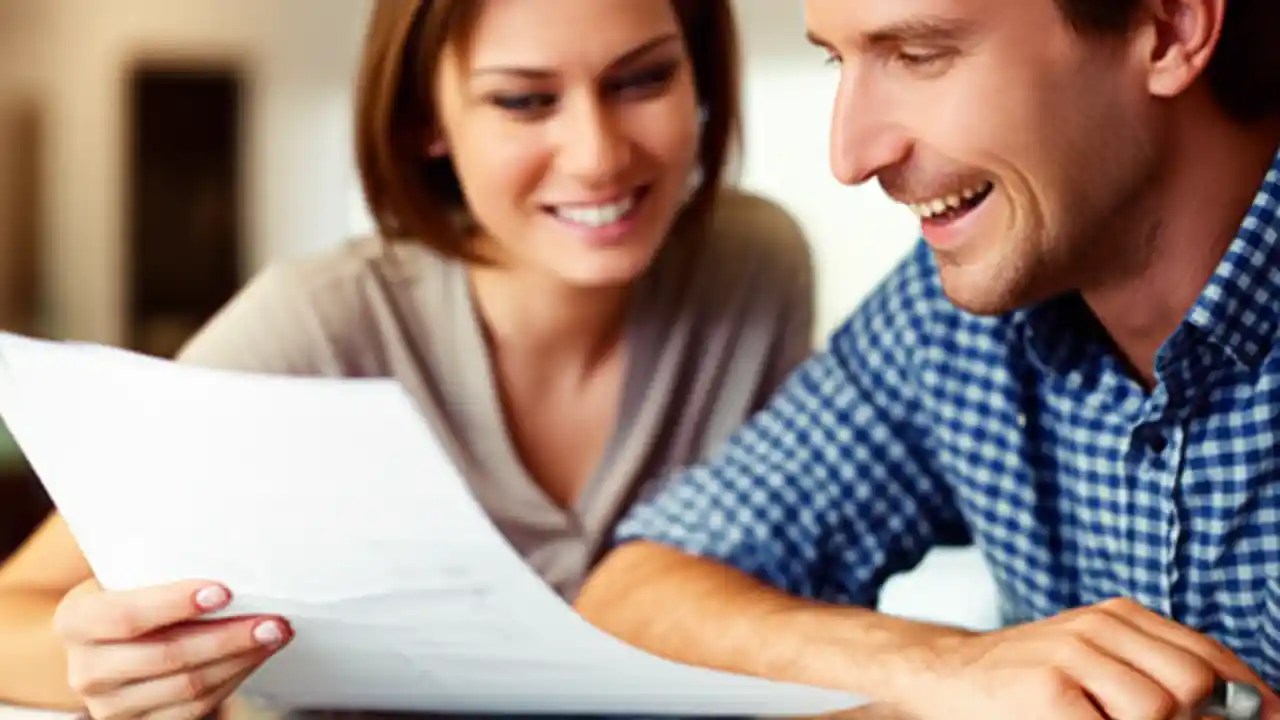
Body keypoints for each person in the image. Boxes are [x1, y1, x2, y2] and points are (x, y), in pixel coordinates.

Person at [0, 1, 815, 717]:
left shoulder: (754, 267)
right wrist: (113, 665)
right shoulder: (316, 326)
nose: (597, 154)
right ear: (427, 120)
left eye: (643, 80)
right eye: (524, 101)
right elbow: (11, 616)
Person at [575, 0, 1280, 719]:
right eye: (837, 59)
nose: (850, 156)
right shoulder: (961, 311)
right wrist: (951, 669)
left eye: (919, 57)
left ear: (1168, 28)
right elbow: (632, 597)